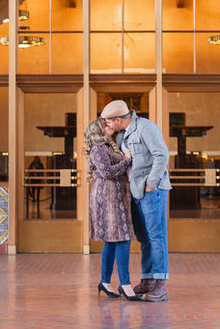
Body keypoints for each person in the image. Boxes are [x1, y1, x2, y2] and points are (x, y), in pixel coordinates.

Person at [100, 99, 171, 302]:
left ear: (119, 119)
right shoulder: (121, 134)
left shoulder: (146, 127)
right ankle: (148, 279)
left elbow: (161, 154)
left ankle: (160, 285)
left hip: (152, 191)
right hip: (135, 192)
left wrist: (151, 183)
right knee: (144, 238)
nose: (107, 125)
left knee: (157, 237)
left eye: (108, 122)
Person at [84, 118, 139, 301]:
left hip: (114, 196)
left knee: (113, 240)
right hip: (107, 198)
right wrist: (127, 161)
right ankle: (125, 284)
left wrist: (124, 160)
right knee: (122, 238)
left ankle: (105, 282)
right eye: (105, 125)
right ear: (98, 131)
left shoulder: (107, 146)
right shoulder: (98, 149)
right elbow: (107, 172)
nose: (109, 126)